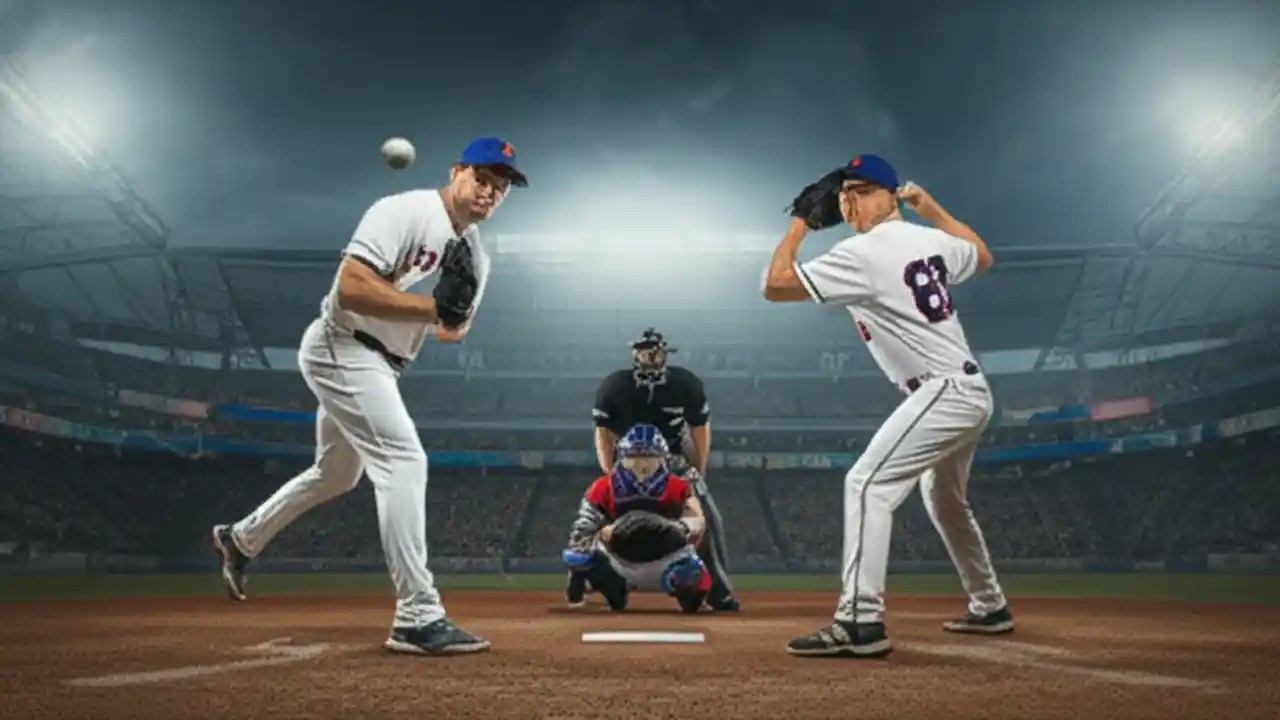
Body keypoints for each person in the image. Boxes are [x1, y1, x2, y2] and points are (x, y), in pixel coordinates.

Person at [211, 137, 527, 656]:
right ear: (457, 172)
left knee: (336, 475)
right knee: (404, 461)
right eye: (484, 179)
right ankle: (417, 616)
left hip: (383, 365)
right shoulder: (403, 211)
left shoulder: (477, 256)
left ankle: (240, 539)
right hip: (343, 345)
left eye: (502, 188)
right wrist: (430, 307)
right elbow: (350, 290)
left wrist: (449, 309)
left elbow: (453, 332)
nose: (491, 193)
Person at [762, 153, 1011, 658]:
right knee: (945, 501)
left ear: (886, 195)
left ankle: (859, 620)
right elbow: (981, 256)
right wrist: (930, 205)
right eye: (843, 194)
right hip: (968, 392)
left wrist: (799, 225)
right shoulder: (929, 240)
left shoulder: (865, 251)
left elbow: (775, 285)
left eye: (859, 190)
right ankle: (990, 605)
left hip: (942, 390)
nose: (847, 201)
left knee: (867, 483)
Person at [576, 328, 739, 611]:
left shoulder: (686, 383)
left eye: (656, 351)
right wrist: (608, 471)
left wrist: (698, 469)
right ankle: (590, 575)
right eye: (644, 350)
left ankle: (719, 591)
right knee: (592, 516)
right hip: (627, 463)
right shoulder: (614, 385)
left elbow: (700, 429)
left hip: (673, 461)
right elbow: (603, 432)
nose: (651, 357)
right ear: (634, 354)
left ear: (665, 353)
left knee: (710, 519)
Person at [562, 424, 712, 613]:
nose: (643, 464)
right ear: (623, 458)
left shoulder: (678, 487)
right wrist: (589, 547)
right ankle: (614, 588)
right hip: (618, 558)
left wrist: (677, 529)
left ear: (662, 459)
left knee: (695, 578)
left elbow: (697, 520)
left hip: (667, 557)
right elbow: (583, 526)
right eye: (635, 457)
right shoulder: (603, 488)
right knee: (583, 559)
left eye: (650, 457)